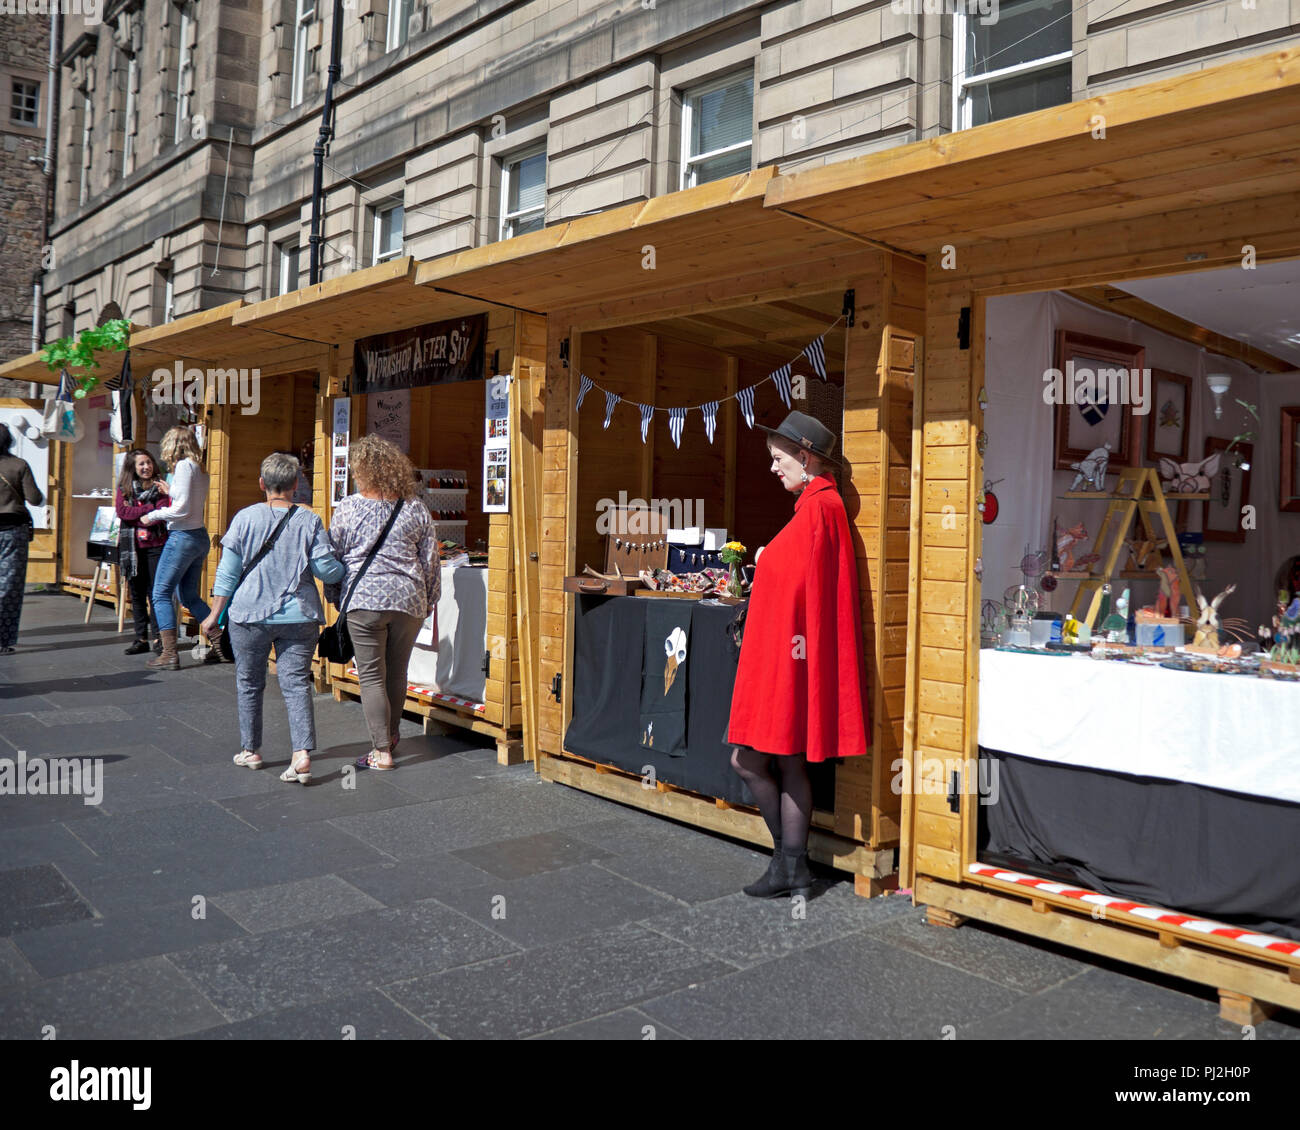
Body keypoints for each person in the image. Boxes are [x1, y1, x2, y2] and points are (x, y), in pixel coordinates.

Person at [727, 410, 871, 898]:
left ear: (804, 457)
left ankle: (791, 865)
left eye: (778, 458)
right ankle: (792, 869)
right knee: (786, 763)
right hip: (796, 657)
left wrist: (765, 562)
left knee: (749, 762)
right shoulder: (817, 506)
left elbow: (797, 586)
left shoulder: (819, 508)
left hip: (792, 661)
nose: (773, 467)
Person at [201, 453, 343, 784]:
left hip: (248, 615)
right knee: (295, 684)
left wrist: (213, 614)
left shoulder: (245, 518)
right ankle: (302, 754)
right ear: (296, 485)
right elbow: (325, 569)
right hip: (299, 615)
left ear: (262, 484)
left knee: (249, 682)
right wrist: (348, 566)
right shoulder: (310, 521)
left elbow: (227, 573)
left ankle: (251, 750)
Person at [327, 434, 439, 770]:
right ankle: (391, 737)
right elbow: (430, 559)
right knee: (397, 673)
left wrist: (336, 598)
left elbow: (334, 558)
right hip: (409, 598)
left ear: (362, 470)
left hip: (365, 599)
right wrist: (430, 598)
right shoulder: (415, 507)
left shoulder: (348, 508)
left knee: (372, 677)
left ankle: (381, 751)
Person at [140, 426, 219, 669]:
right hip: (197, 535)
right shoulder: (198, 468)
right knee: (189, 595)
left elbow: (181, 509)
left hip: (182, 536)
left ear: (173, 444)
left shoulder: (184, 466)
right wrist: (169, 490)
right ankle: (221, 644)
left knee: (160, 593)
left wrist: (153, 515)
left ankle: (169, 654)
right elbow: (190, 502)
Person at [114, 449, 170, 655]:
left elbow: (162, 513)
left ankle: (158, 638)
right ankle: (140, 638)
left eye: (148, 462)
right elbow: (122, 512)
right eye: (141, 464)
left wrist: (147, 513)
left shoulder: (160, 486)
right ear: (133, 468)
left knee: (155, 593)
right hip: (133, 550)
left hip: (156, 547)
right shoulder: (124, 488)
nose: (146, 467)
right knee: (136, 594)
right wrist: (149, 510)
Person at [0, 422, 45, 655]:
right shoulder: (19, 465)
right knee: (8, 586)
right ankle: (2, 640)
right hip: (12, 531)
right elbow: (35, 498)